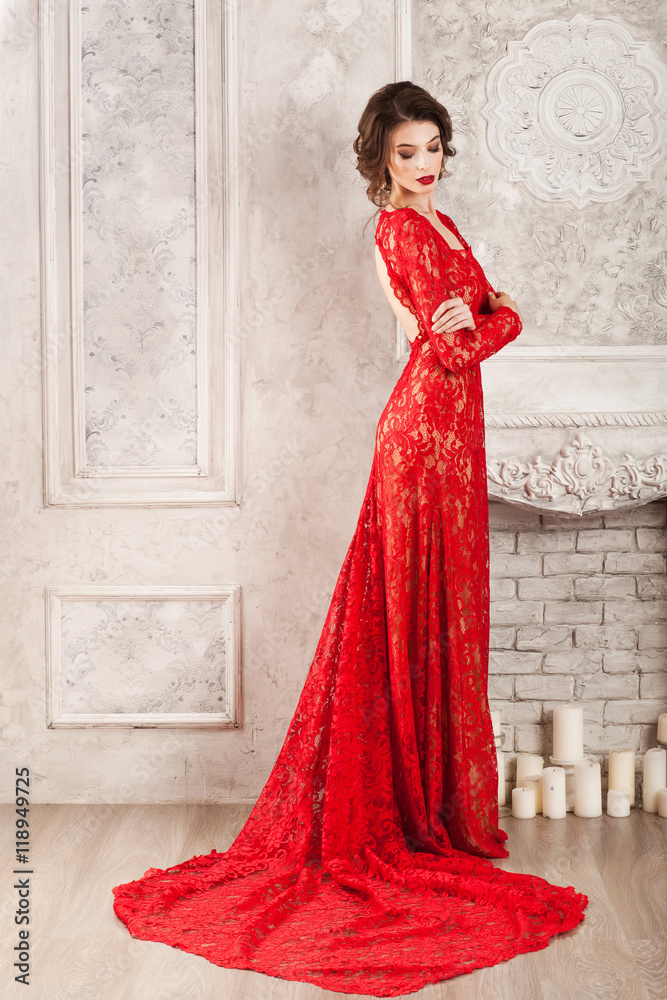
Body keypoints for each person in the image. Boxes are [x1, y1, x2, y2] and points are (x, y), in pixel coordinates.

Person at [112, 81, 588, 996]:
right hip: (419, 434)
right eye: (407, 153)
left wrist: (490, 315)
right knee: (404, 607)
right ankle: (403, 806)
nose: (424, 164)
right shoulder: (400, 232)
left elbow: (497, 319)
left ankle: (438, 802)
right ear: (380, 162)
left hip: (453, 438)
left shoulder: (446, 226)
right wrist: (490, 316)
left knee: (446, 609)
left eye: (434, 147)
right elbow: (458, 344)